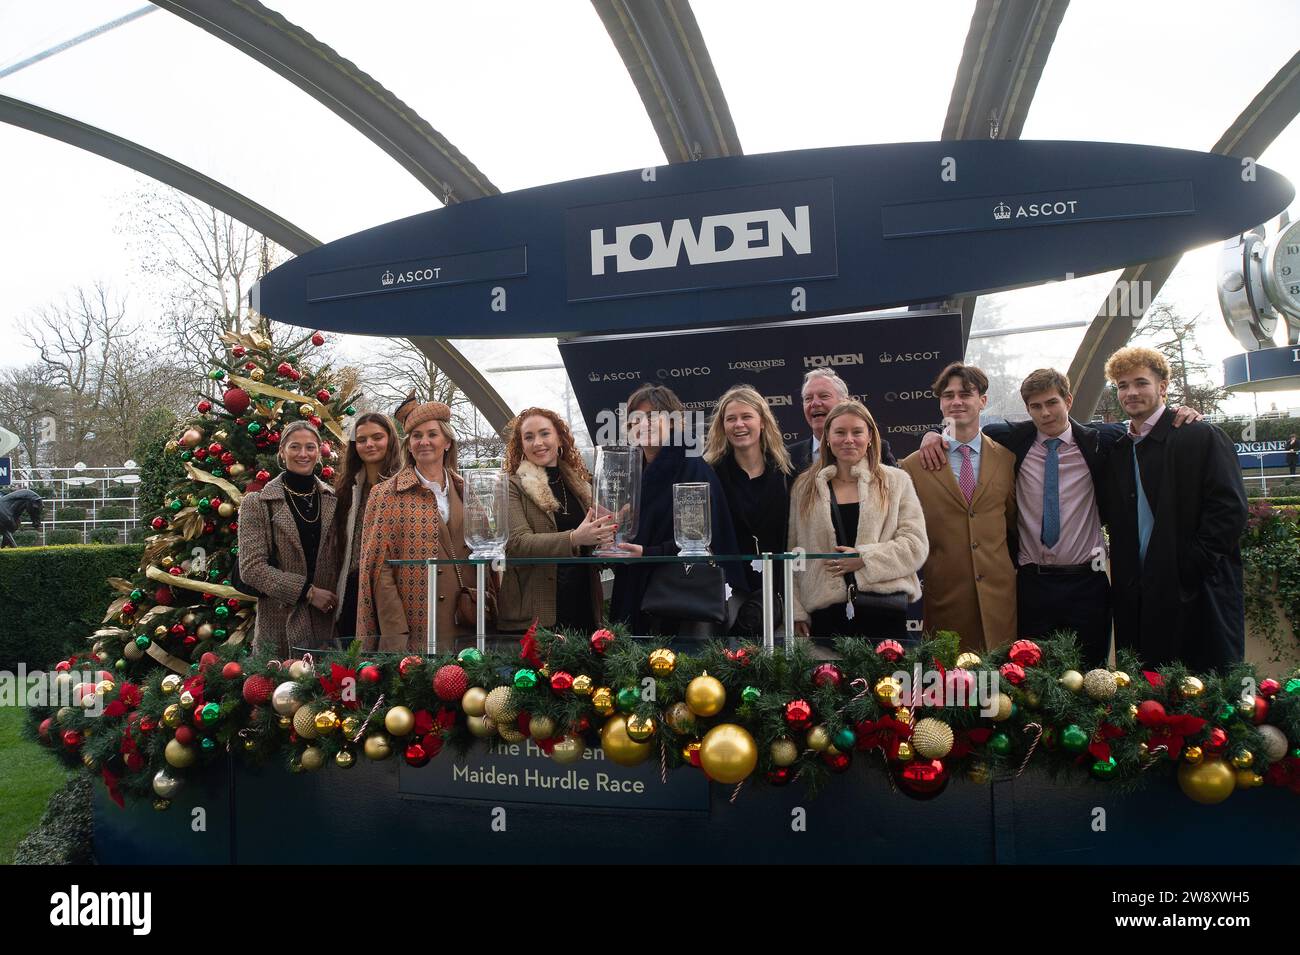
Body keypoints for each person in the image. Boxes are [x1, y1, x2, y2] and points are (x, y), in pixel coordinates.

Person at [915, 368, 1204, 666]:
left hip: (1087, 585)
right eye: (1036, 407)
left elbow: (1147, 424)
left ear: (1068, 400)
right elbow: (965, 434)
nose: (1045, 413)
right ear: (1028, 410)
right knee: (1030, 678)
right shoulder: (1010, 441)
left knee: (1091, 675)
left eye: (1052, 403)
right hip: (1031, 587)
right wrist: (933, 436)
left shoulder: (1103, 440)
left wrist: (1179, 414)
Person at [1101, 347, 1247, 671]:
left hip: (1195, 596)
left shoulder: (1200, 435)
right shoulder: (1119, 448)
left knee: (1203, 700)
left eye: (1141, 383)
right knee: (1146, 702)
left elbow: (1229, 510)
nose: (1132, 392)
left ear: (1163, 386)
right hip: (1136, 598)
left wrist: (1188, 567)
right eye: (1123, 385)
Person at [608, 384, 746, 635]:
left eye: (653, 416)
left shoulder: (691, 465)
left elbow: (699, 539)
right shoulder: (631, 470)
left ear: (673, 423)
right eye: (636, 418)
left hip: (680, 599)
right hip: (637, 590)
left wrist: (646, 553)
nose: (644, 424)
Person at [900, 362, 1017, 653]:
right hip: (944, 601)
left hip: (1000, 602)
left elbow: (1013, 524)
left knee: (1004, 690)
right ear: (940, 404)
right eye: (948, 395)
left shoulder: (1007, 459)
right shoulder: (913, 466)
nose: (956, 401)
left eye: (965, 393)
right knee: (952, 690)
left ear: (983, 400)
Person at [787, 401, 927, 642]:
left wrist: (864, 559)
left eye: (857, 432)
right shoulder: (805, 486)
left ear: (870, 437)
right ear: (827, 438)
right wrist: (797, 611)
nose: (848, 439)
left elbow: (915, 545)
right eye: (840, 432)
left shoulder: (897, 481)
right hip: (825, 617)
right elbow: (794, 553)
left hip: (884, 613)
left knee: (887, 681)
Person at [356, 400, 476, 652]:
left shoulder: (467, 491)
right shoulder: (385, 494)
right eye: (416, 436)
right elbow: (379, 571)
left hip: (469, 625)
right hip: (415, 627)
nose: (424, 441)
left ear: (447, 442)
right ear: (408, 446)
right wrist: (395, 632)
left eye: (432, 434)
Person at [498, 407, 612, 633]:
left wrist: (606, 538)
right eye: (528, 437)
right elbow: (518, 544)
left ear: (560, 438)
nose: (537, 442)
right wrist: (573, 538)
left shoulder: (581, 485)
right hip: (537, 614)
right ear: (521, 446)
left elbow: (593, 542)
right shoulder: (511, 486)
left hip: (584, 607)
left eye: (544, 433)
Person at [237, 420, 340, 657]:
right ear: (282, 452)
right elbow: (251, 568)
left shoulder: (333, 500)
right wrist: (309, 593)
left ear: (319, 452)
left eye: (310, 447)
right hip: (279, 625)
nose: (303, 454)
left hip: (329, 624)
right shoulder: (258, 503)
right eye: (295, 447)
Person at [704, 384, 795, 636]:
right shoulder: (710, 474)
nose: (738, 424)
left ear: (763, 422)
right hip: (726, 595)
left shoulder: (787, 473)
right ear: (722, 426)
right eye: (731, 419)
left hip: (779, 592)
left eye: (746, 416)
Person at [332, 412, 403, 639]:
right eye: (362, 440)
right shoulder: (347, 489)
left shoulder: (404, 484)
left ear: (390, 440)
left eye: (377, 437)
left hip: (391, 586)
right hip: (353, 585)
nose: (369, 444)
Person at [787, 368, 897, 471]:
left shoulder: (878, 450)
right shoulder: (789, 456)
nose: (815, 403)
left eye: (824, 396)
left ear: (844, 402)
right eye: (808, 398)